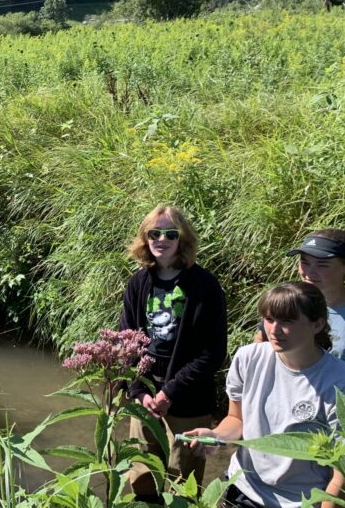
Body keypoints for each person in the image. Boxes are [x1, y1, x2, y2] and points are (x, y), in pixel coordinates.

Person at [185, 281, 345, 508]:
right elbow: (237, 420)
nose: (274, 330)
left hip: (303, 501)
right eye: (269, 319)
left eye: (288, 321)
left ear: (317, 325)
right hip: (243, 489)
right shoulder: (248, 358)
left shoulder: (344, 383)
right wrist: (216, 436)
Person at [119, 205, 228, 502]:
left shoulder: (205, 285)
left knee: (185, 480)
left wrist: (169, 392)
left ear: (183, 239)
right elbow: (125, 340)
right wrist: (140, 390)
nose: (161, 239)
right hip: (145, 397)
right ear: (145, 237)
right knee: (141, 473)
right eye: (154, 233)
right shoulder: (139, 282)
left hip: (189, 398)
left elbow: (212, 352)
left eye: (170, 233)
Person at [254, 229, 345, 368]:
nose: (309, 272)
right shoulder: (286, 301)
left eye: (322, 265)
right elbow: (259, 356)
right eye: (305, 262)